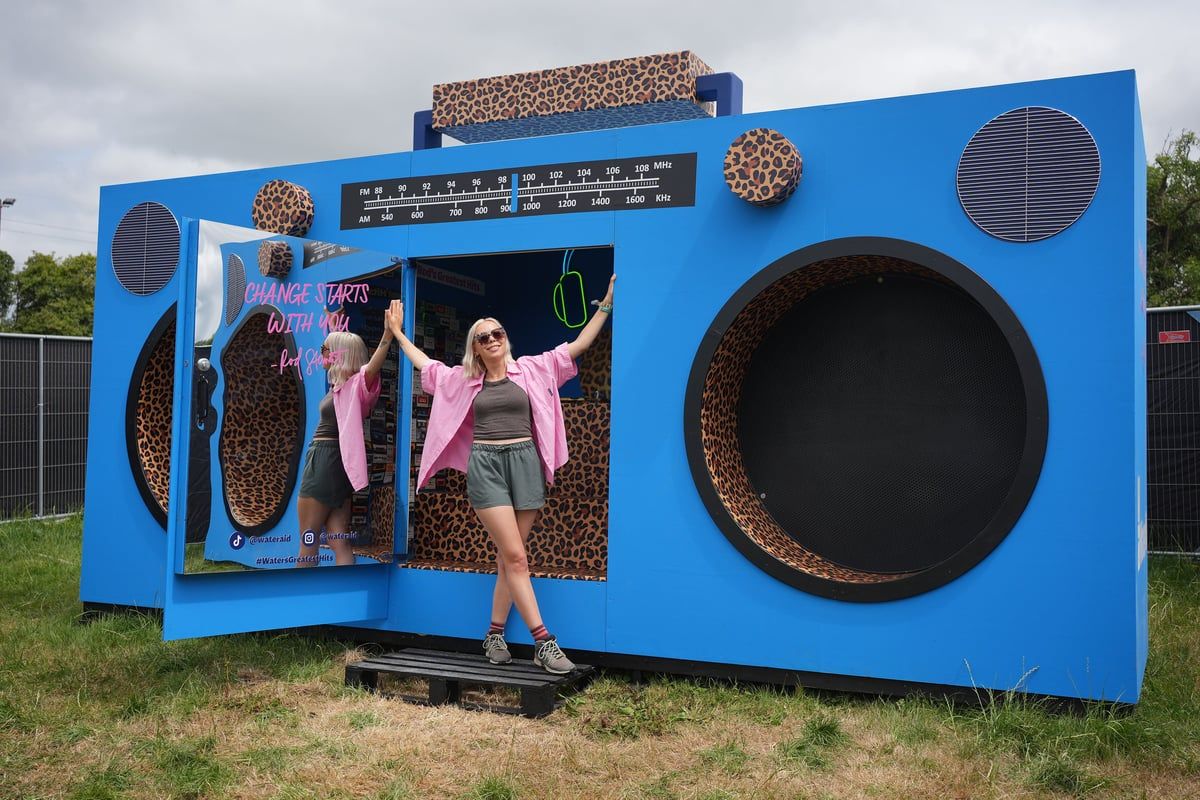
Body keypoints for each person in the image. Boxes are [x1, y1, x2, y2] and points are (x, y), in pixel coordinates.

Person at [387, 275, 615, 674]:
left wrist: (607, 305)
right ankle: (544, 642)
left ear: (506, 338)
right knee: (515, 556)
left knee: (508, 559)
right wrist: (397, 334)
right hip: (486, 467)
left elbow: (577, 346)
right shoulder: (464, 380)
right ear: (474, 347)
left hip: (526, 465)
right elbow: (426, 364)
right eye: (483, 337)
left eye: (497, 333)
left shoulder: (533, 369)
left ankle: (494, 634)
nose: (492, 339)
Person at [296, 314, 394, 567]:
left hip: (326, 460)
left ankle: (298, 601)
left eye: (325, 349)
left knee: (308, 541)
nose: (321, 354)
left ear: (340, 354)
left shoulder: (357, 384)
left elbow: (371, 366)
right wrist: (335, 325)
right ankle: (341, 598)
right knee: (340, 541)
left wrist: (387, 334)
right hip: (336, 463)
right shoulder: (343, 386)